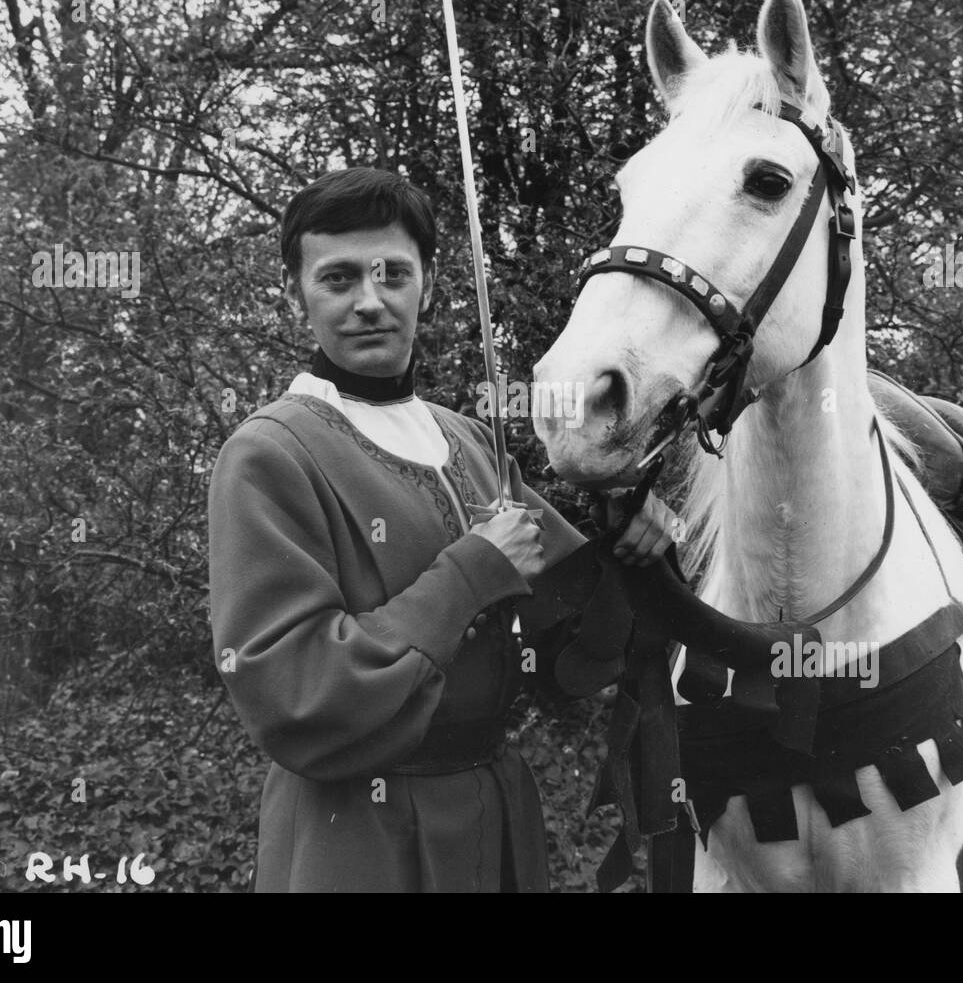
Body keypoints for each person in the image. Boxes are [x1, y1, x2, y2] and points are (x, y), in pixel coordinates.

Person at [208, 167, 679, 892]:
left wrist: (628, 549)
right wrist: (468, 578)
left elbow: (572, 661)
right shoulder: (269, 454)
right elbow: (292, 697)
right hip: (358, 839)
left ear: (427, 285)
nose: (371, 301)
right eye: (337, 279)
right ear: (295, 294)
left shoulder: (470, 444)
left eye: (394, 273)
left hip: (494, 822)